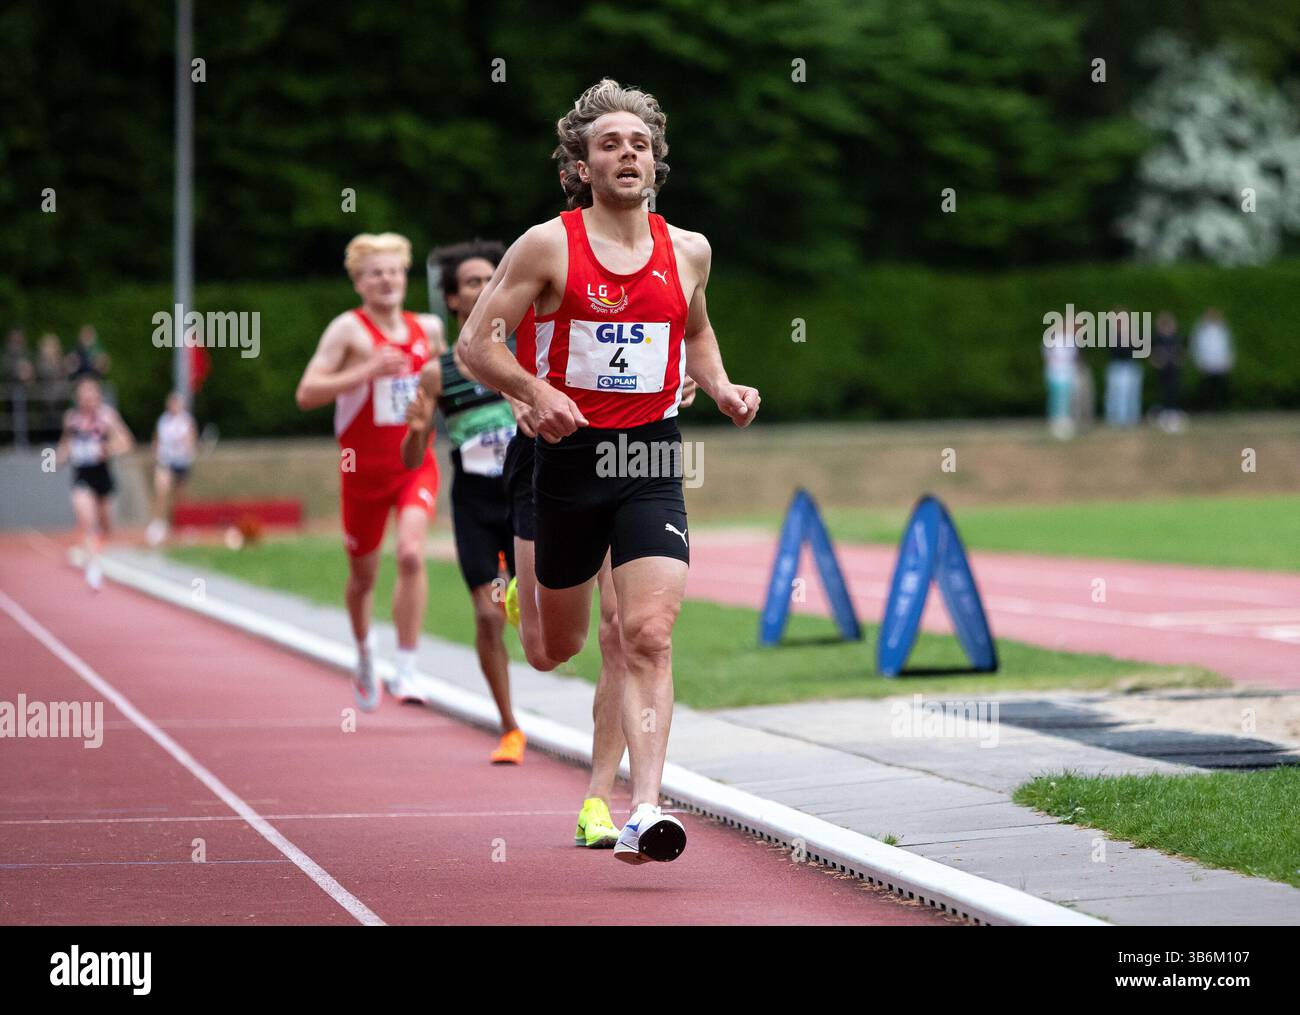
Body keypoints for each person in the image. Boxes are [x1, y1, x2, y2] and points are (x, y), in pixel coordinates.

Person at [458, 79, 760, 864]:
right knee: (552, 649)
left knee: (644, 631)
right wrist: (532, 387)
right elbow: (475, 345)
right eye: (609, 145)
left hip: (650, 455)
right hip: (566, 456)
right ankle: (526, 590)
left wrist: (720, 384)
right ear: (581, 166)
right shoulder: (546, 245)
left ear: (657, 162)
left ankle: (647, 806)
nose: (628, 154)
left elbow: (696, 329)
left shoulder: (689, 248)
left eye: (640, 145)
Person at [294, 233, 446, 711]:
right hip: (361, 472)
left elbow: (448, 386)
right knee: (362, 577)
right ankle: (364, 652)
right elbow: (307, 393)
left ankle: (407, 667)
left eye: (394, 271)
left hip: (415, 464)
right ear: (359, 281)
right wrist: (367, 371)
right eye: (375, 272)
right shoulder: (348, 330)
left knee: (411, 555)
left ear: (406, 276)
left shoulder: (430, 328)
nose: (386, 280)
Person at [401, 240, 529, 764]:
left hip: (526, 495)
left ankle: (528, 601)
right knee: (488, 615)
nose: (482, 288)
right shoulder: (437, 373)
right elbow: (412, 459)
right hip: (475, 504)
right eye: (472, 282)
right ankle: (510, 726)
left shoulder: (528, 355)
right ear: (453, 299)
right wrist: (414, 429)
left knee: (538, 618)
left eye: (490, 278)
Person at [56, 377, 134, 590]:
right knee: (87, 520)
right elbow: (65, 444)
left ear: (97, 397)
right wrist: (58, 458)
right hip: (82, 475)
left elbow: (126, 441)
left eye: (91, 395)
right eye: (84, 396)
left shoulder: (107, 417)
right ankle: (93, 566)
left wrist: (108, 450)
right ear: (78, 398)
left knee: (106, 527)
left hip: (103, 475)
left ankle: (96, 552)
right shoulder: (71, 419)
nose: (88, 400)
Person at [145, 391, 198, 546]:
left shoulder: (186, 421)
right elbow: (157, 440)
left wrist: (188, 449)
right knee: (161, 491)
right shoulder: (163, 421)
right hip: (166, 461)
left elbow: (191, 439)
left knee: (180, 495)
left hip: (181, 462)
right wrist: (156, 455)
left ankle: (178, 524)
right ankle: (157, 524)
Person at [1104, 306, 1142, 428]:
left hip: (1130, 366)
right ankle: (1116, 419)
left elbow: (1138, 348)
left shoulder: (1132, 333)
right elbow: (1115, 350)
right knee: (1115, 394)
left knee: (1131, 394)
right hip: (1117, 366)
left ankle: (1131, 418)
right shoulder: (1112, 334)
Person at [1190, 307, 1234, 411]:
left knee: (1220, 387)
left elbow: (1228, 346)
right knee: (1206, 387)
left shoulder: (1223, 330)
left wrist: (1228, 360)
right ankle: (1206, 408)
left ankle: (1220, 408)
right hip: (1207, 363)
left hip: (1220, 363)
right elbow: (1196, 346)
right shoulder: (1201, 330)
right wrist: (1199, 361)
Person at [1149, 311, 1186, 433]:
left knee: (1173, 391)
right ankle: (1164, 414)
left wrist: (1178, 361)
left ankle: (1173, 413)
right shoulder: (1157, 339)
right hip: (1163, 372)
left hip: (1174, 370)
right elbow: (1153, 355)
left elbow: (1181, 354)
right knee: (1165, 392)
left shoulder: (1176, 338)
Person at [1042, 317, 1078, 439]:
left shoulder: (1070, 340)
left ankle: (1064, 421)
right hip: (1055, 373)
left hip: (1067, 374)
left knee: (1066, 399)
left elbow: (1072, 357)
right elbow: (1048, 355)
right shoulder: (1052, 339)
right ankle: (1055, 421)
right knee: (1056, 399)